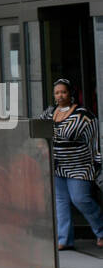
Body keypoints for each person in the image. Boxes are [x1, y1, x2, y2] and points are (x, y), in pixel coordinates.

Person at [40, 78, 103, 251]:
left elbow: (95, 140)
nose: (60, 95)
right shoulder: (49, 113)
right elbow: (38, 130)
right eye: (57, 93)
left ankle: (101, 231)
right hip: (56, 165)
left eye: (64, 92)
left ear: (71, 94)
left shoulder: (84, 115)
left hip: (79, 166)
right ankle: (64, 239)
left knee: (80, 199)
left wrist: (97, 162)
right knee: (61, 202)